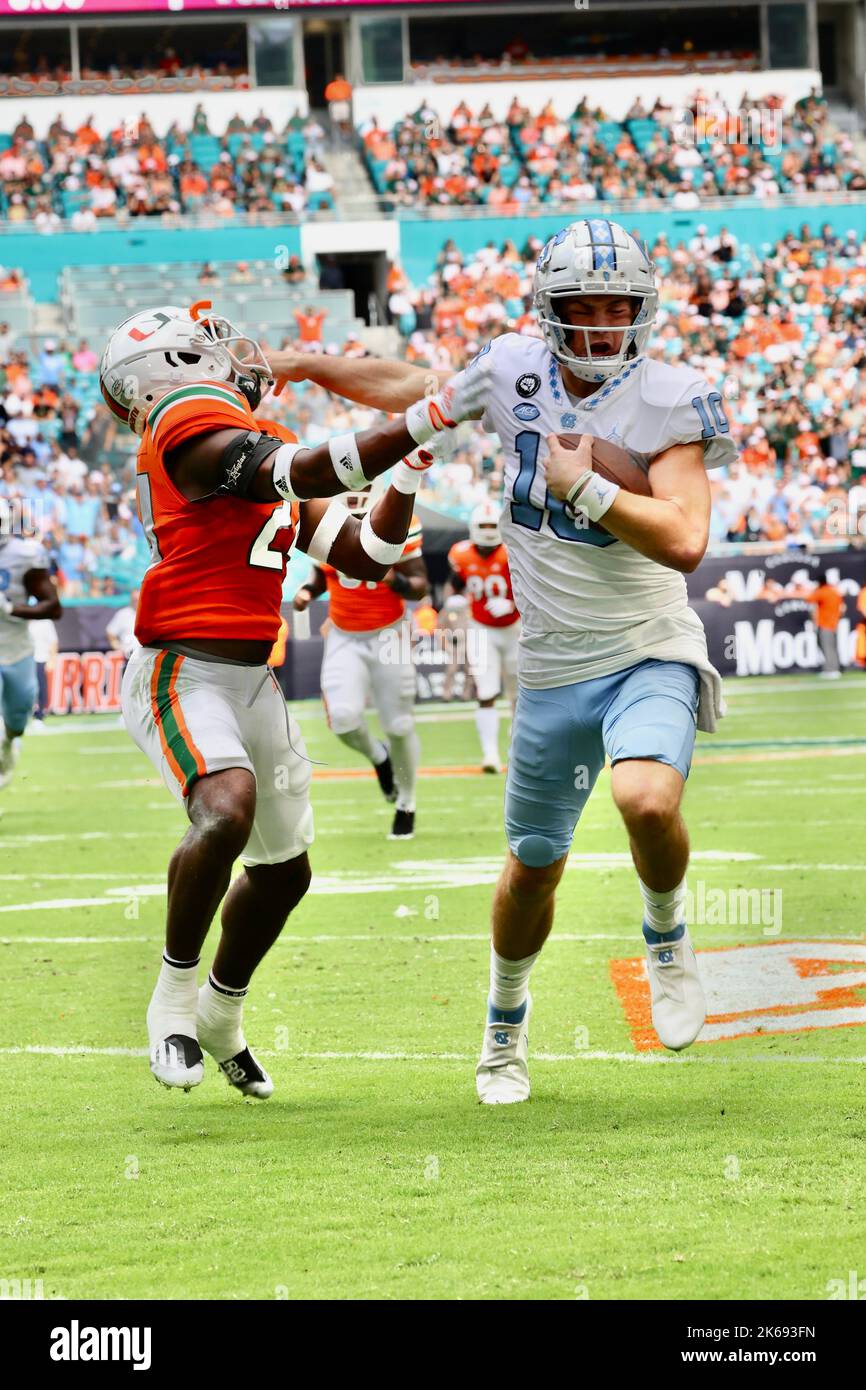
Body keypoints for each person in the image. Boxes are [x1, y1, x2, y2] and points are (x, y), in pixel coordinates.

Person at [267, 217, 737, 1103]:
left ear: (645, 309)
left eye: (617, 306)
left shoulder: (676, 394)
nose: (601, 326)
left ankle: (668, 939)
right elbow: (413, 390)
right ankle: (503, 1032)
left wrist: (587, 487)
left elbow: (685, 540)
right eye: (583, 307)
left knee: (646, 797)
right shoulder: (512, 366)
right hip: (555, 664)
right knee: (531, 864)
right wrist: (304, 364)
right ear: (549, 310)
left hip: (648, 645)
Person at [99, 299, 485, 1096]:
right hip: (182, 667)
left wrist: (411, 469)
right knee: (227, 807)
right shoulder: (184, 417)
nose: (234, 353)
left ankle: (221, 1015)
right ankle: (171, 1002)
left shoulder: (238, 448)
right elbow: (309, 470)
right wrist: (425, 415)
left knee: (284, 873)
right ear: (168, 369)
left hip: (252, 680)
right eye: (208, 345)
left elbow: (366, 554)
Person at [293, 479, 428, 839]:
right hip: (344, 633)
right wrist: (308, 591)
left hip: (390, 633)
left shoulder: (399, 520)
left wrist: (389, 576)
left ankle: (407, 803)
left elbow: (420, 583)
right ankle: (380, 758)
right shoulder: (328, 518)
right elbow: (322, 574)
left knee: (399, 725)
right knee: (343, 719)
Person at [447, 499, 520, 772]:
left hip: (515, 627)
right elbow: (457, 584)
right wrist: (454, 599)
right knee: (486, 691)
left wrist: (513, 604)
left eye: (493, 525)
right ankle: (490, 754)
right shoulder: (460, 554)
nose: (489, 530)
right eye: (484, 525)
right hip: (481, 628)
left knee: (519, 694)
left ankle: (517, 752)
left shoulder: (513, 551)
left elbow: (533, 588)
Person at [0, 505, 62, 784]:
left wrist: (12, 609)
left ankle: (10, 741)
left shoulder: (24, 554)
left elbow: (54, 607)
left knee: (16, 721)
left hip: (17, 649)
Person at [810, 571, 844, 679]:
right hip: (834, 623)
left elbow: (809, 600)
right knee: (832, 646)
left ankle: (832, 670)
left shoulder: (821, 591)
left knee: (827, 647)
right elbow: (842, 608)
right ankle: (834, 668)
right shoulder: (834, 592)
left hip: (824, 623)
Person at [29, 616, 58, 730]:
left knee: (41, 689)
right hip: (25, 659)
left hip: (40, 658)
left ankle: (39, 716)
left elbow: (53, 641)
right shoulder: (23, 620)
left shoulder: (45, 622)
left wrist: (52, 658)